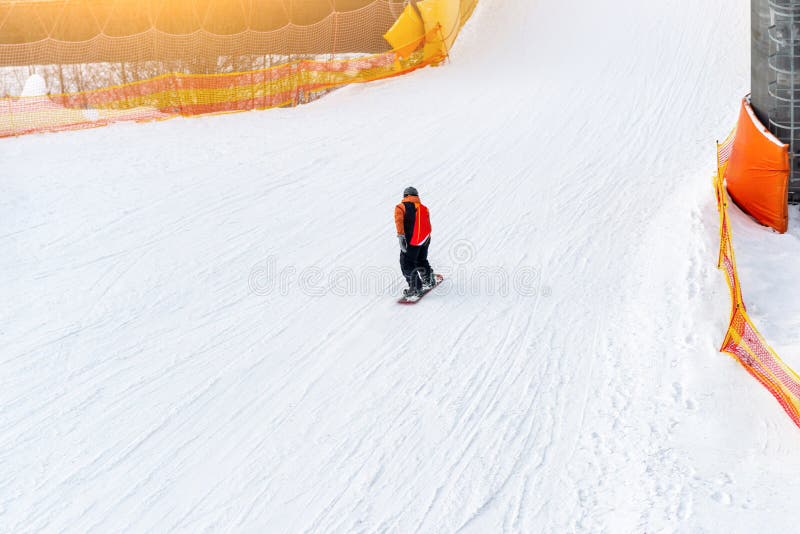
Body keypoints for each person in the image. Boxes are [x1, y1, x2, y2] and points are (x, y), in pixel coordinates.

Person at [395, 186, 435, 298]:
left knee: (407, 263)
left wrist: (401, 236)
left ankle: (416, 288)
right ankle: (428, 279)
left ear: (405, 196)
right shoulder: (424, 208)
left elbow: (399, 221)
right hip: (425, 239)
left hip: (411, 241)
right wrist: (426, 239)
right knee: (421, 260)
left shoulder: (401, 207)